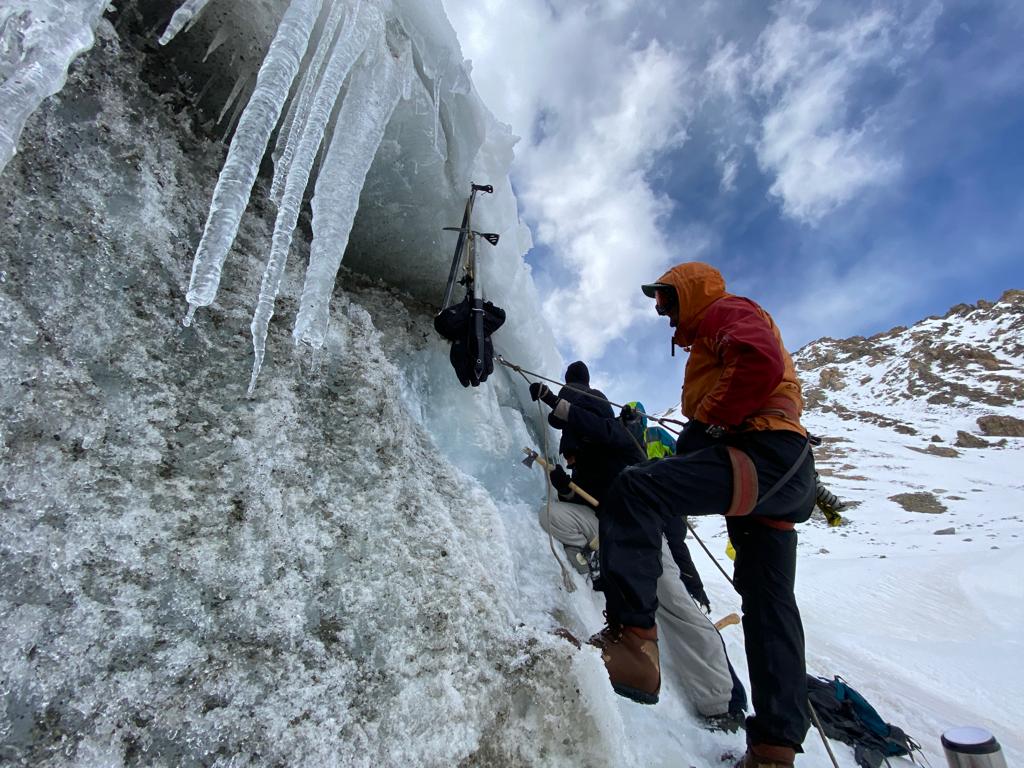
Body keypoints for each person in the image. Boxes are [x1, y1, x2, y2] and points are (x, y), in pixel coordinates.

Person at [585, 263, 816, 768]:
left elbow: (755, 361)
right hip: (787, 472)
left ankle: (635, 646)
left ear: (686, 293)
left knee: (634, 489)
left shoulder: (723, 311)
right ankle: (774, 751)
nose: (661, 313)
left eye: (665, 301)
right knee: (769, 603)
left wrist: (705, 424)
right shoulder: (715, 329)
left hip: (764, 454)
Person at [530, 363, 747, 728]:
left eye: (571, 452)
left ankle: (720, 700)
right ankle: (598, 562)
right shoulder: (588, 461)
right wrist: (564, 484)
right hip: (609, 527)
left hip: (640, 529)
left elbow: (598, 426)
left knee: (672, 600)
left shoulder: (616, 435)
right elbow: (585, 501)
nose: (569, 458)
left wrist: (556, 402)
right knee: (551, 515)